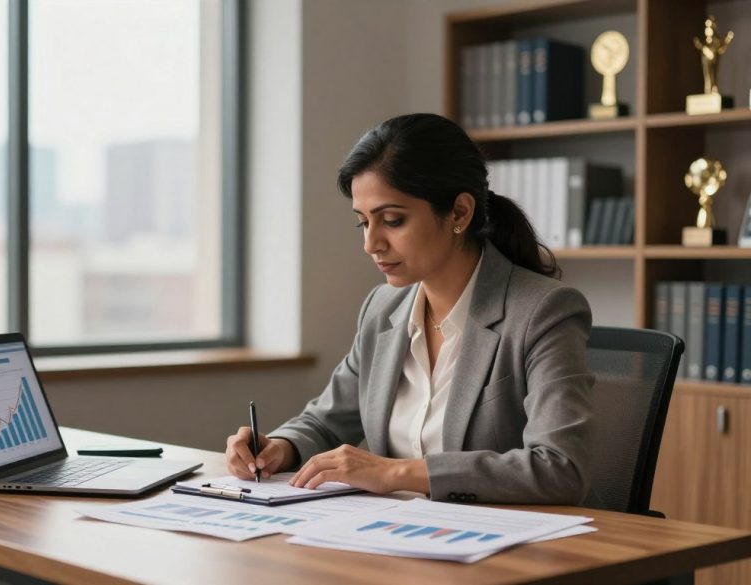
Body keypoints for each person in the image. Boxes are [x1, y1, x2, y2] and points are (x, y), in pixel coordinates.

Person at [225, 113, 594, 504]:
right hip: (398, 538)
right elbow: (326, 420)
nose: (371, 244)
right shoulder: (383, 308)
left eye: (392, 220)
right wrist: (280, 447)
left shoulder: (543, 311)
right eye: (363, 223)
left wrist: (394, 472)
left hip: (504, 545)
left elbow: (560, 468)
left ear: (459, 213)